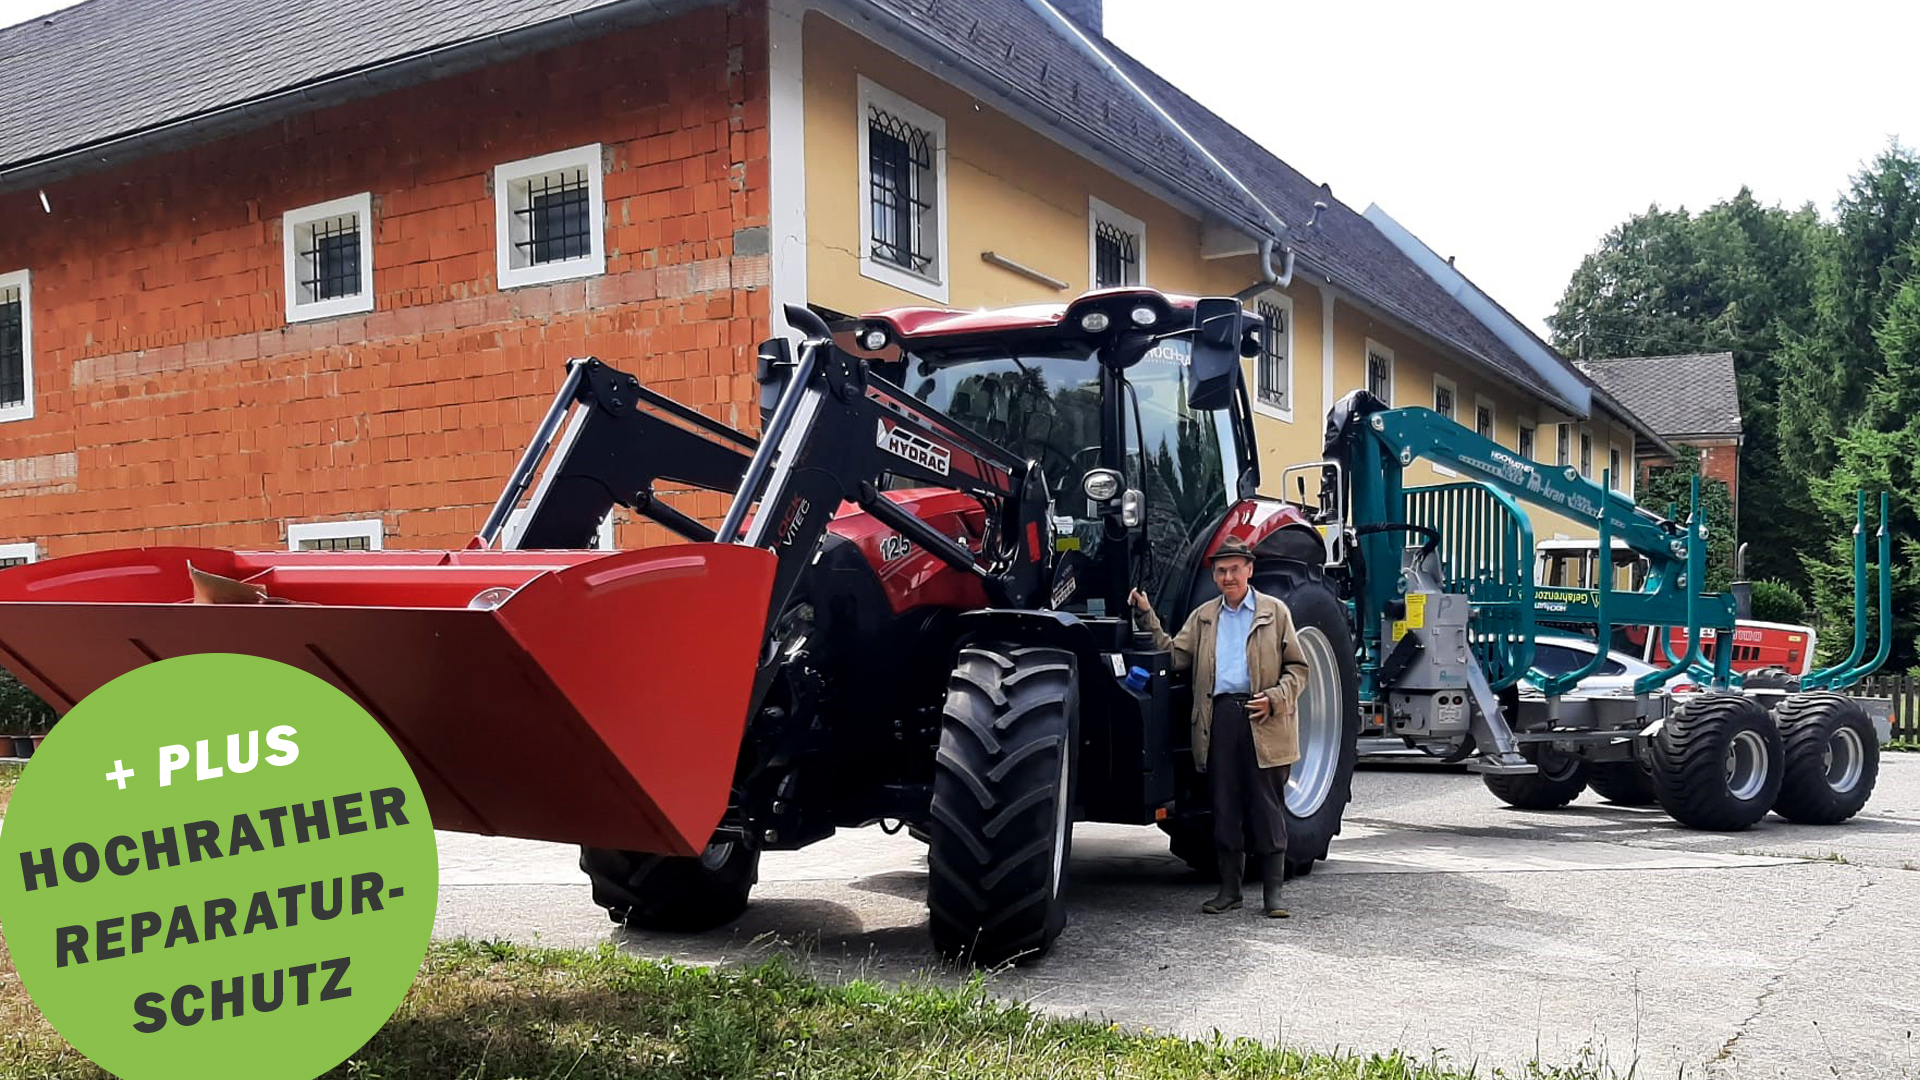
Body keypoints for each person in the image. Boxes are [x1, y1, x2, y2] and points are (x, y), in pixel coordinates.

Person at [1129, 535, 1310, 918]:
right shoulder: (1204, 617)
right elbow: (1174, 655)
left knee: (1266, 807)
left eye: (1235, 569)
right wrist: (1147, 616)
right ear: (1214, 576)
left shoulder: (1275, 612)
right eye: (1222, 571)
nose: (1228, 577)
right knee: (1224, 806)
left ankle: (1273, 895)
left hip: (1263, 717)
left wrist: (1276, 698)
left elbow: (1298, 668)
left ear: (1249, 570)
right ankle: (1230, 891)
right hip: (1220, 719)